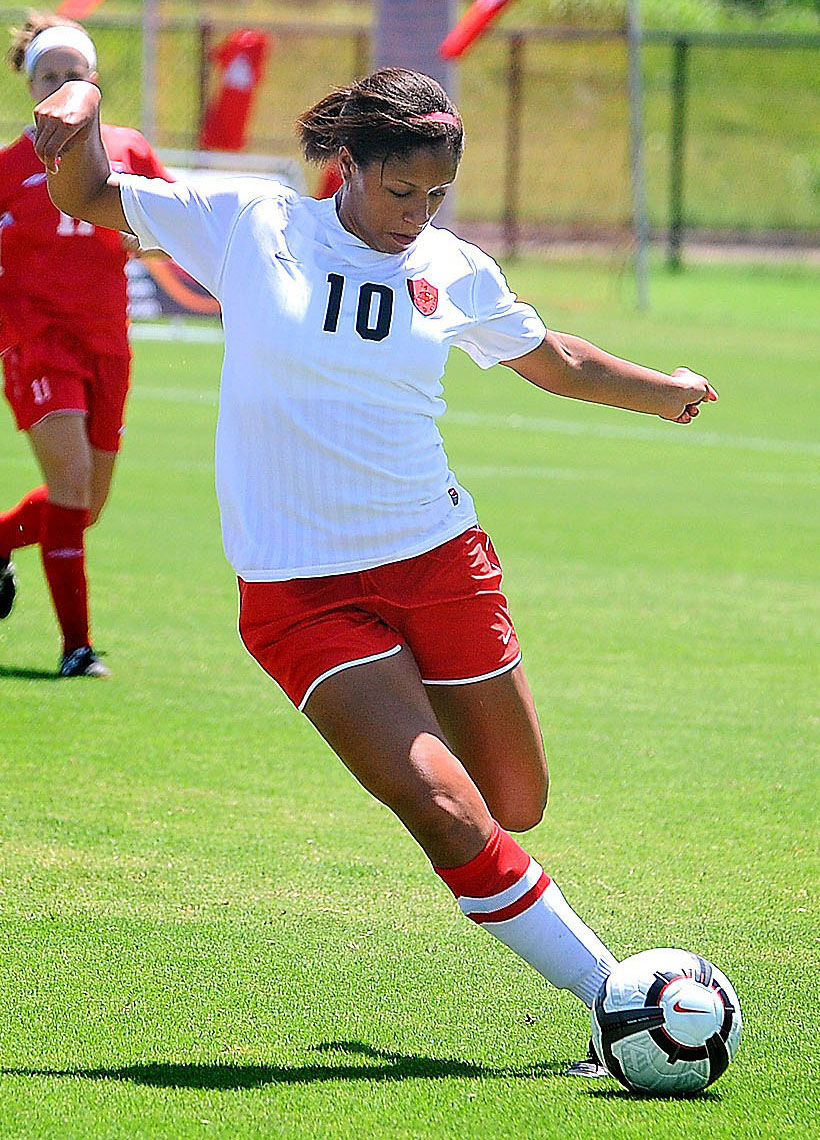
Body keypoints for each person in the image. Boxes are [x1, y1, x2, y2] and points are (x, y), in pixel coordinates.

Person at [32, 68, 718, 1071]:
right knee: (441, 805)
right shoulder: (252, 223)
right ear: (347, 166)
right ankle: (614, 1003)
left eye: (436, 196)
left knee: (512, 802)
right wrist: (83, 104)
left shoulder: (451, 267)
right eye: (402, 193)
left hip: (440, 562)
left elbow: (553, 359)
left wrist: (661, 393)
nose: (418, 216)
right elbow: (85, 193)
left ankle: (459, 804)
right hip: (298, 594)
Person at [0, 12, 169, 677]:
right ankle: (76, 648)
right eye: (50, 75)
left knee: (85, 508)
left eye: (74, 73)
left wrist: (147, 236)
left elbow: (168, 226)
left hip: (108, 341)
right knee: (69, 481)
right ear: (31, 85)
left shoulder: (128, 151)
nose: (63, 84)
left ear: (93, 81)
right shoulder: (10, 165)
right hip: (37, 341)